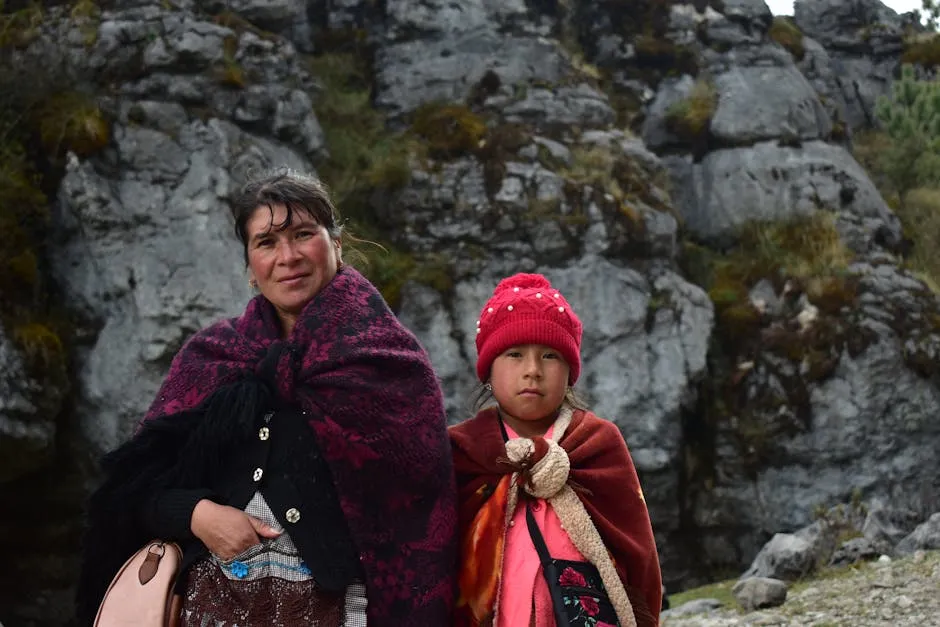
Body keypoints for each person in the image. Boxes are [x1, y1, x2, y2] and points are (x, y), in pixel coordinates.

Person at [75, 170, 457, 626]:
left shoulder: (387, 363)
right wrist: (199, 515)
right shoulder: (213, 358)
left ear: (336, 244)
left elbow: (421, 512)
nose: (288, 257)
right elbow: (136, 491)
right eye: (267, 242)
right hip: (211, 610)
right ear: (249, 266)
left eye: (303, 235)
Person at [449, 273, 662, 627]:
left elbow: (640, 556)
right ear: (488, 370)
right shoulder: (463, 452)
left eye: (549, 355)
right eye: (514, 354)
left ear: (569, 371)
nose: (532, 371)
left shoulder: (596, 444)